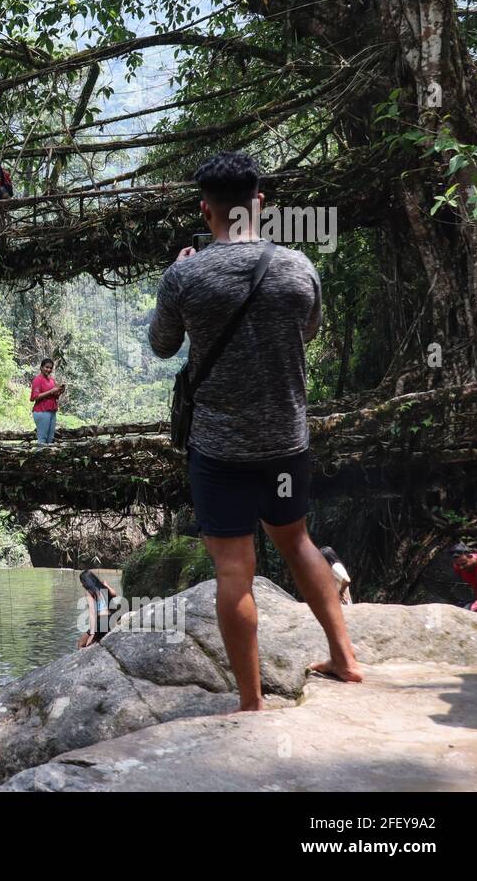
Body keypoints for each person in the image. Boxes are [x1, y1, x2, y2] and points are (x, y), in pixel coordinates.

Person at [148, 149, 362, 711]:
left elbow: (163, 345)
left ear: (206, 208)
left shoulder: (187, 275)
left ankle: (250, 704)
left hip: (218, 450)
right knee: (297, 542)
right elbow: (306, 333)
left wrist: (181, 272)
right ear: (259, 205)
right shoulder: (297, 266)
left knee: (234, 568)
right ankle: (344, 657)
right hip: (286, 444)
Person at [77, 569, 117, 648]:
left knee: (81, 644)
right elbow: (114, 594)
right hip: (111, 619)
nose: (82, 585)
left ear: (86, 582)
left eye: (82, 582)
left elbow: (92, 613)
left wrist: (92, 633)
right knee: (97, 643)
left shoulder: (90, 592)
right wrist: (107, 585)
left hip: (101, 622)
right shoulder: (103, 587)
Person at [30, 357, 65, 444]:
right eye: (46, 367)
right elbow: (35, 397)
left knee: (50, 439)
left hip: (52, 411)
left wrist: (60, 391)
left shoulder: (52, 381)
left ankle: (48, 456)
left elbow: (54, 396)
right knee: (42, 438)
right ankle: (39, 456)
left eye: (50, 368)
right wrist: (50, 391)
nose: (48, 369)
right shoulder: (38, 380)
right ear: (41, 367)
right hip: (42, 411)